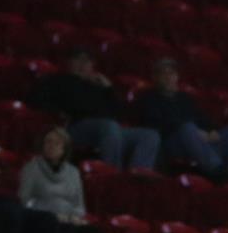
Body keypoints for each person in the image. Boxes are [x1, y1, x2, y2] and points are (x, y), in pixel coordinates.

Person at [27, 49, 159, 172]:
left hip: (107, 129)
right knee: (110, 127)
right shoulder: (59, 79)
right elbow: (35, 98)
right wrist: (57, 113)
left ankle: (136, 178)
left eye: (87, 61)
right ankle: (113, 176)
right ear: (69, 62)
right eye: (78, 59)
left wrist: (108, 89)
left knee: (149, 135)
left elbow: (119, 112)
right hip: (76, 126)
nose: (83, 64)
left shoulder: (98, 86)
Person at [130, 56, 228, 182]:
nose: (168, 77)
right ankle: (217, 171)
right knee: (187, 128)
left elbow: (202, 118)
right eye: (163, 73)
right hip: (172, 143)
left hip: (199, 142)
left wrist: (211, 131)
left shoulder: (185, 98)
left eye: (172, 73)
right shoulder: (148, 98)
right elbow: (156, 125)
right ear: (155, 77)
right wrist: (195, 132)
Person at [17, 126, 110, 233]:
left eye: (57, 143)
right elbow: (23, 201)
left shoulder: (73, 173)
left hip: (69, 219)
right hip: (44, 220)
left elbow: (79, 206)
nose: (51, 146)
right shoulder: (31, 169)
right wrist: (53, 214)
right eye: (48, 141)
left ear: (64, 148)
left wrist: (73, 217)